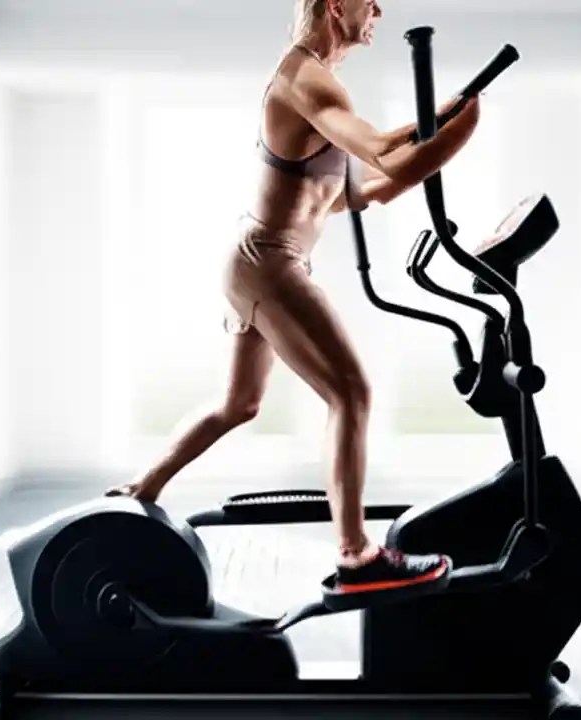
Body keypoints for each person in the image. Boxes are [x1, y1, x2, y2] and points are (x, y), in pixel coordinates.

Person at [107, 0, 481, 595]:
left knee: (239, 404)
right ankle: (357, 555)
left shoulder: (317, 85)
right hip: (269, 262)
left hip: (260, 259)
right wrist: (439, 118)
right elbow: (383, 148)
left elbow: (380, 186)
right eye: (370, 0)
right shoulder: (305, 77)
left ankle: (137, 489)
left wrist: (459, 126)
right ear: (338, 5)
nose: (379, 9)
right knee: (351, 391)